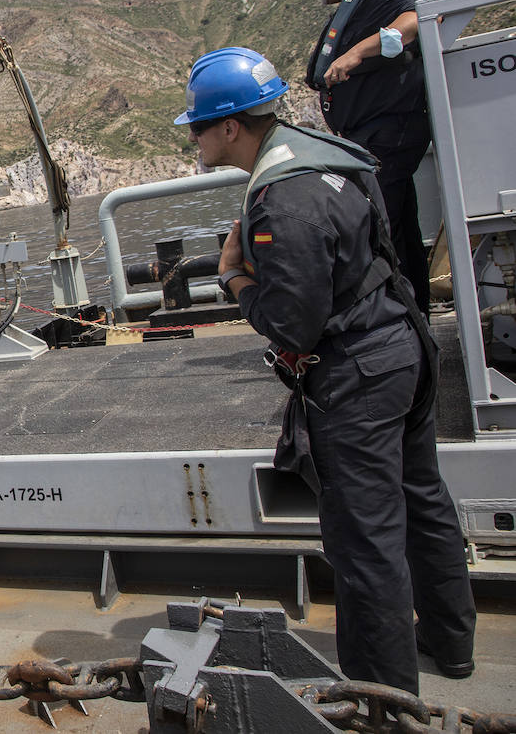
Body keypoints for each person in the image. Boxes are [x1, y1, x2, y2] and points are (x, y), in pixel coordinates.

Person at [175, 47, 475, 694]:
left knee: (365, 540)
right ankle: (452, 646)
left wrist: (233, 277)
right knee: (424, 502)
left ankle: (382, 696)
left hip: (359, 373)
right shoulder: (325, 156)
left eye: (198, 126)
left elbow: (292, 324)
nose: (193, 138)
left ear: (231, 127)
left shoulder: (284, 201)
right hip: (404, 346)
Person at [301, 0, 433, 314]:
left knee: (379, 232)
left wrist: (357, 52)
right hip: (370, 135)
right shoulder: (358, 2)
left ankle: (390, 321)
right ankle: (413, 316)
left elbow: (416, 21)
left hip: (388, 132)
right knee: (400, 231)